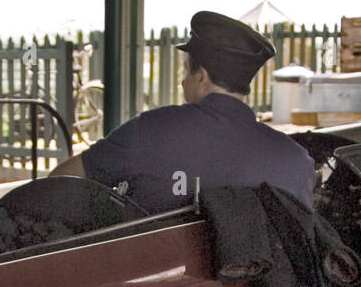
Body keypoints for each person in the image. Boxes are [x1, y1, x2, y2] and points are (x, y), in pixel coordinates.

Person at [51, 11, 315, 212]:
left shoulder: (148, 131)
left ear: (202, 76)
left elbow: (59, 182)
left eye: (185, 70)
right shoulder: (296, 163)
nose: (181, 81)